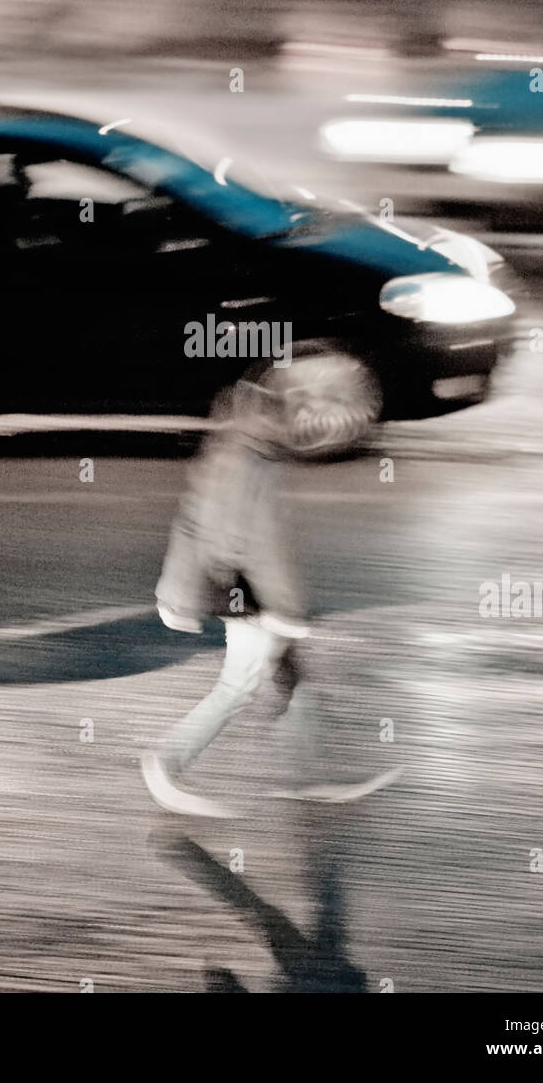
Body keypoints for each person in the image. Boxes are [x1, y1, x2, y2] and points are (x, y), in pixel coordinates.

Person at [142, 344, 398, 816]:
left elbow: (192, 520)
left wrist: (173, 592)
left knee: (292, 677)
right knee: (239, 687)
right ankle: (168, 762)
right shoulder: (253, 462)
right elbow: (258, 546)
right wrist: (287, 612)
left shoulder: (234, 446)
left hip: (233, 584)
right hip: (246, 591)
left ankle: (313, 776)